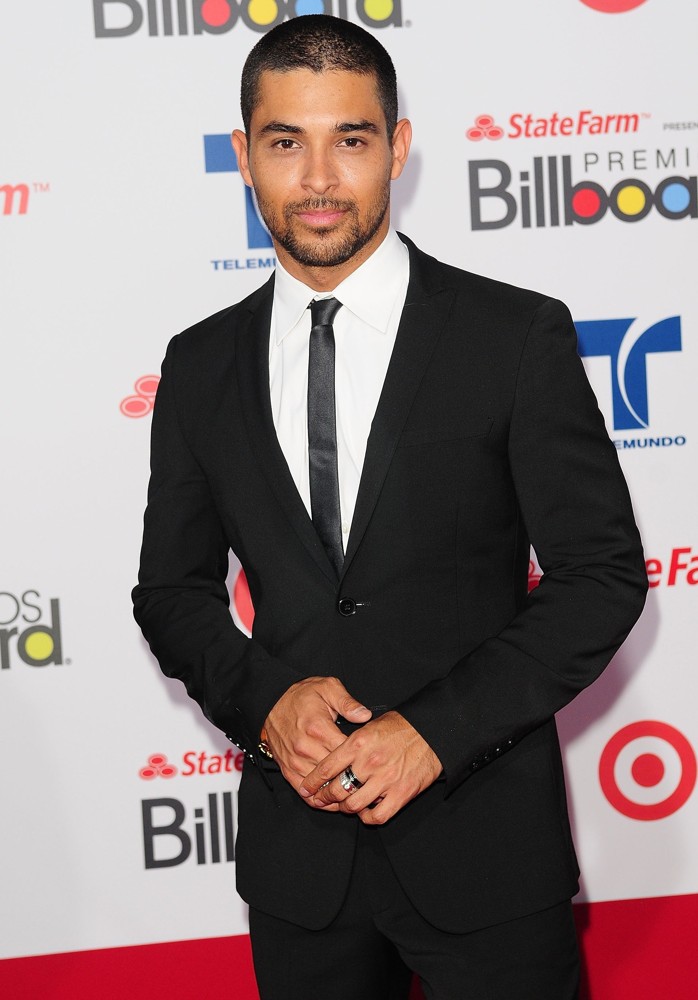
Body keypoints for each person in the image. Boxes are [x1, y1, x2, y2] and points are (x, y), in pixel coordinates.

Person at [133, 14, 647, 1000]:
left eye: (351, 139)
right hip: (299, 872)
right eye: (286, 142)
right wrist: (265, 706)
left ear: (397, 149)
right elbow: (172, 593)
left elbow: (600, 579)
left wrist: (432, 732)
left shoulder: (511, 336)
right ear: (243, 157)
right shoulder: (201, 365)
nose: (318, 176)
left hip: (485, 851)